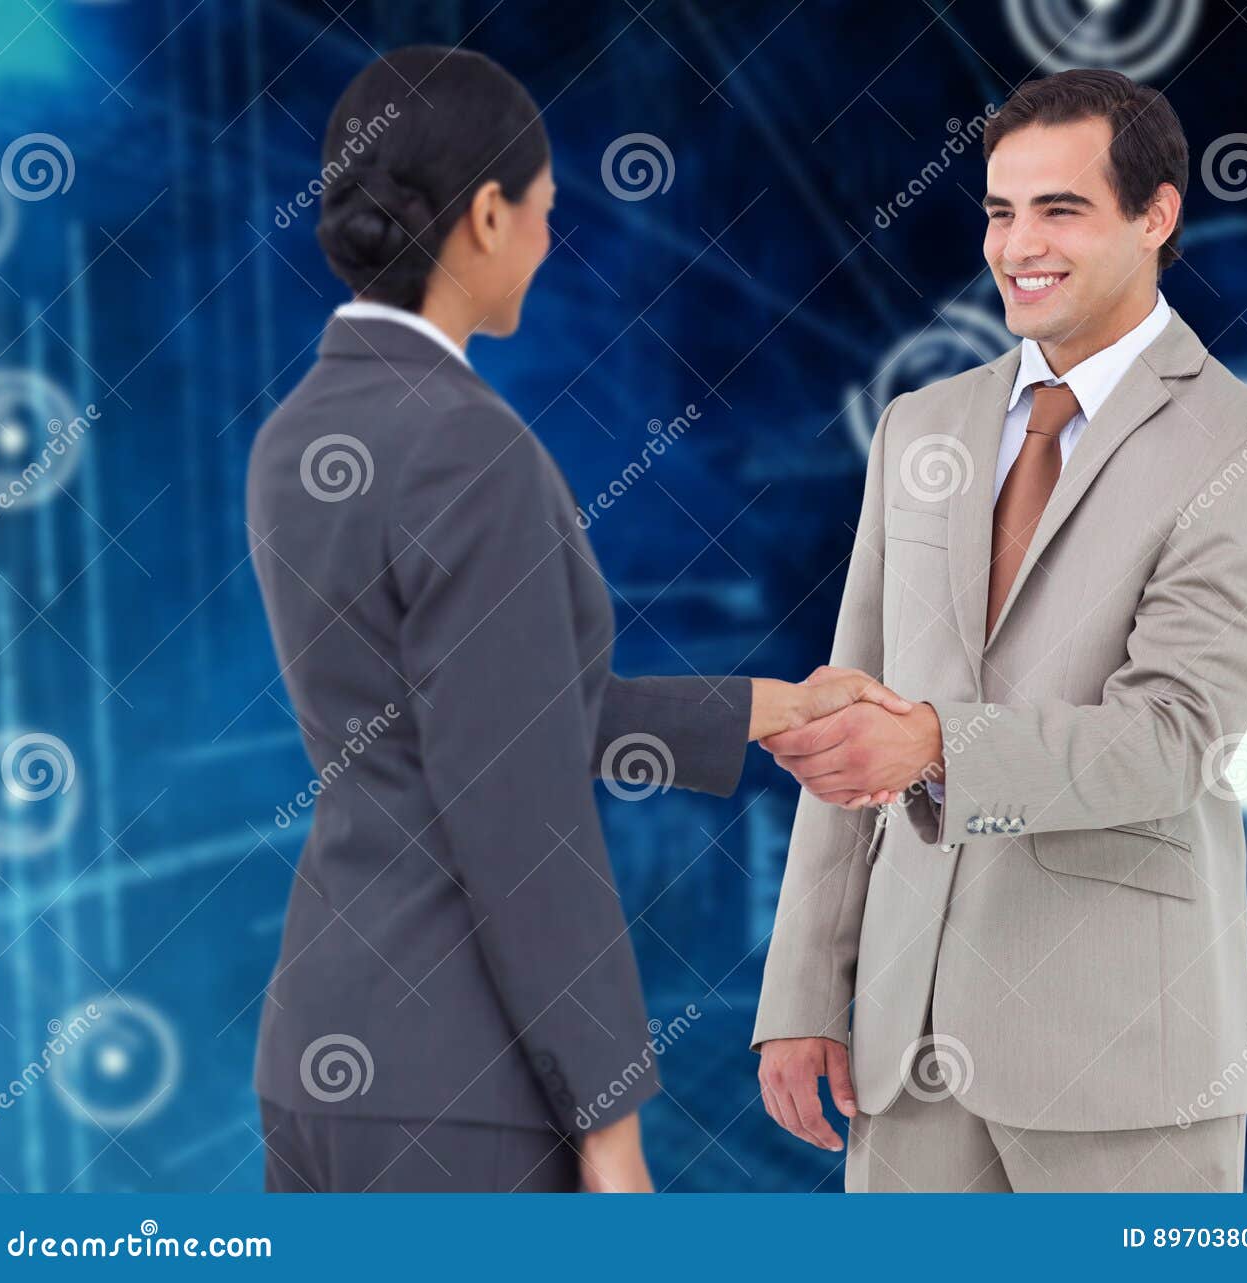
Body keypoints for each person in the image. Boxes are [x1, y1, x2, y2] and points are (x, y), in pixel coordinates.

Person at [246, 46, 907, 1194]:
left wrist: (773, 707)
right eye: (546, 209)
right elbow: (517, 807)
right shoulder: (467, 444)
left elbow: (505, 709)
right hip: (465, 1084)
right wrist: (607, 1113)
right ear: (486, 216)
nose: (551, 240)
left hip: (322, 1047)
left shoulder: (296, 432)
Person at [754, 70, 1247, 1192]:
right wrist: (805, 991)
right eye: (1000, 210)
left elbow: (1174, 736)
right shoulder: (920, 427)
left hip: (1119, 1057)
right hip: (906, 1048)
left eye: (1060, 210)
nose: (1018, 245)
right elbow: (846, 708)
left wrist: (936, 744)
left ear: (1156, 215)